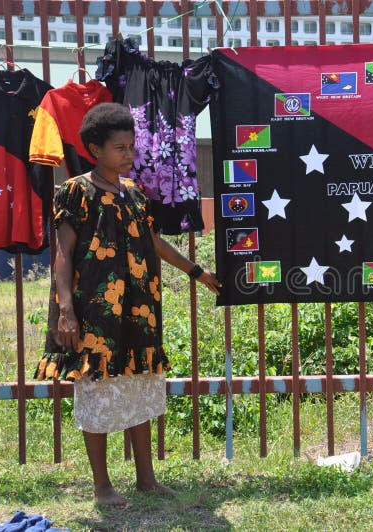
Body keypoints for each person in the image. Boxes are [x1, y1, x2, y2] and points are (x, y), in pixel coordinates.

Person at [34, 103, 221, 508]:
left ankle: (146, 479)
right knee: (97, 394)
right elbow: (63, 255)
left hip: (139, 309)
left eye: (131, 147)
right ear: (94, 148)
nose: (129, 154)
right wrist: (66, 310)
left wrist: (196, 272)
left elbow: (152, 242)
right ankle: (102, 486)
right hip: (94, 314)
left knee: (140, 388)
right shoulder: (75, 191)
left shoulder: (135, 193)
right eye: (120, 147)